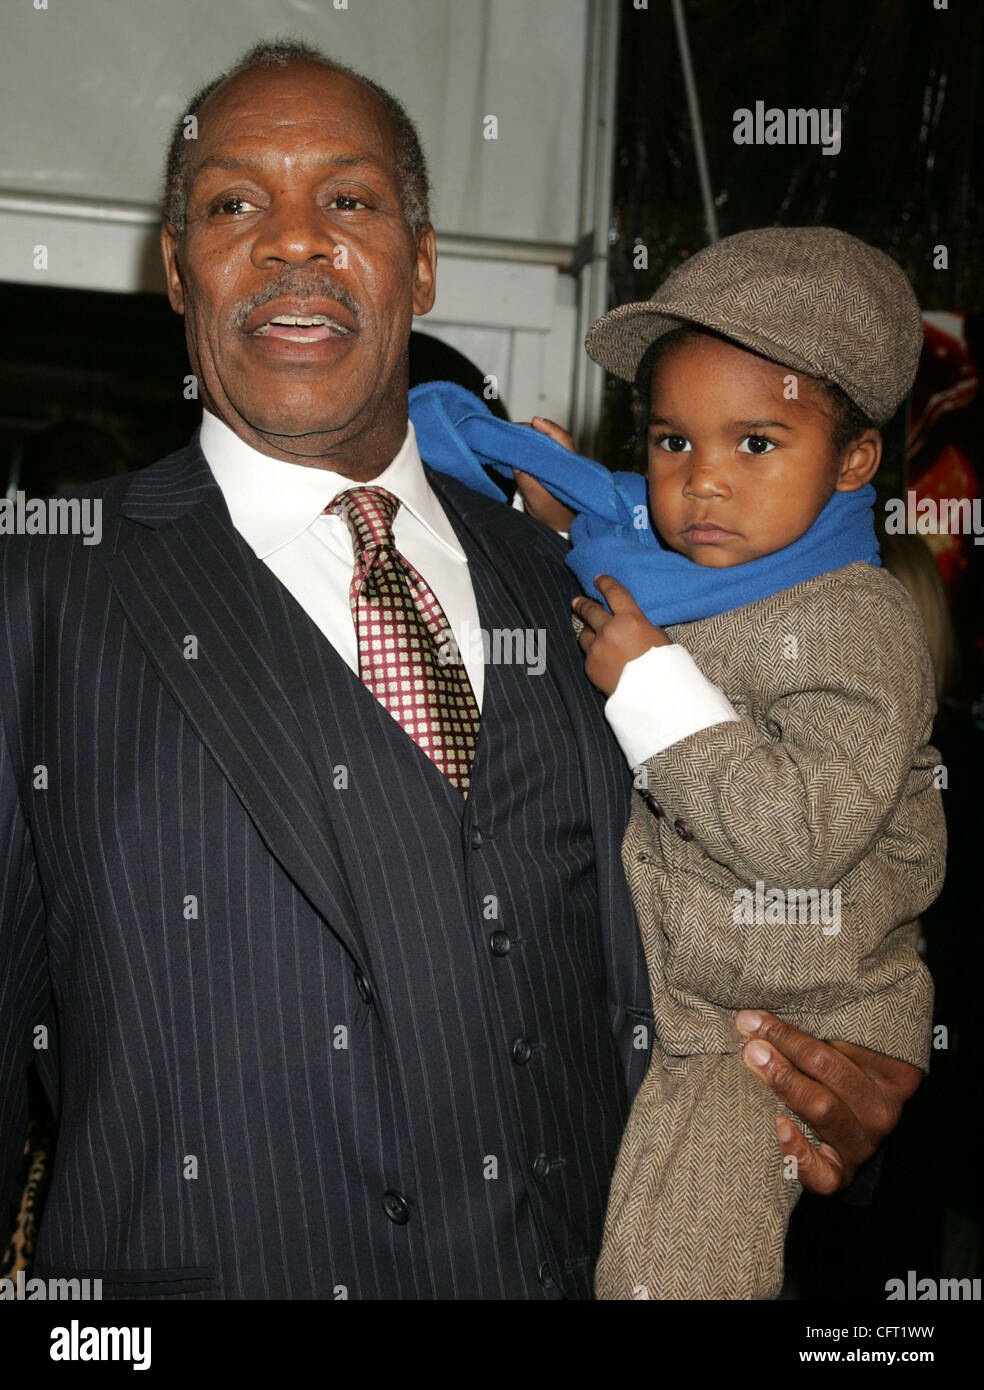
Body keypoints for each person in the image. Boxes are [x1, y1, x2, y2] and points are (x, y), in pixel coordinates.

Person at [0, 44, 923, 1301]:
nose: (292, 245)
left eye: (349, 201)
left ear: (422, 261)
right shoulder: (40, 593)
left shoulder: (591, 580)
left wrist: (827, 1092)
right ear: (176, 269)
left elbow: (789, 868)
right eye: (232, 205)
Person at [503, 227, 945, 1298]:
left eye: (755, 444)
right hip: (701, 1007)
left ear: (852, 462)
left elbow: (800, 835)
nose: (701, 485)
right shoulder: (709, 580)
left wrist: (651, 684)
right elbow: (637, 584)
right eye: (670, 442)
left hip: (786, 1025)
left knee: (678, 1265)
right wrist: (558, 522)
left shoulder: (855, 618)